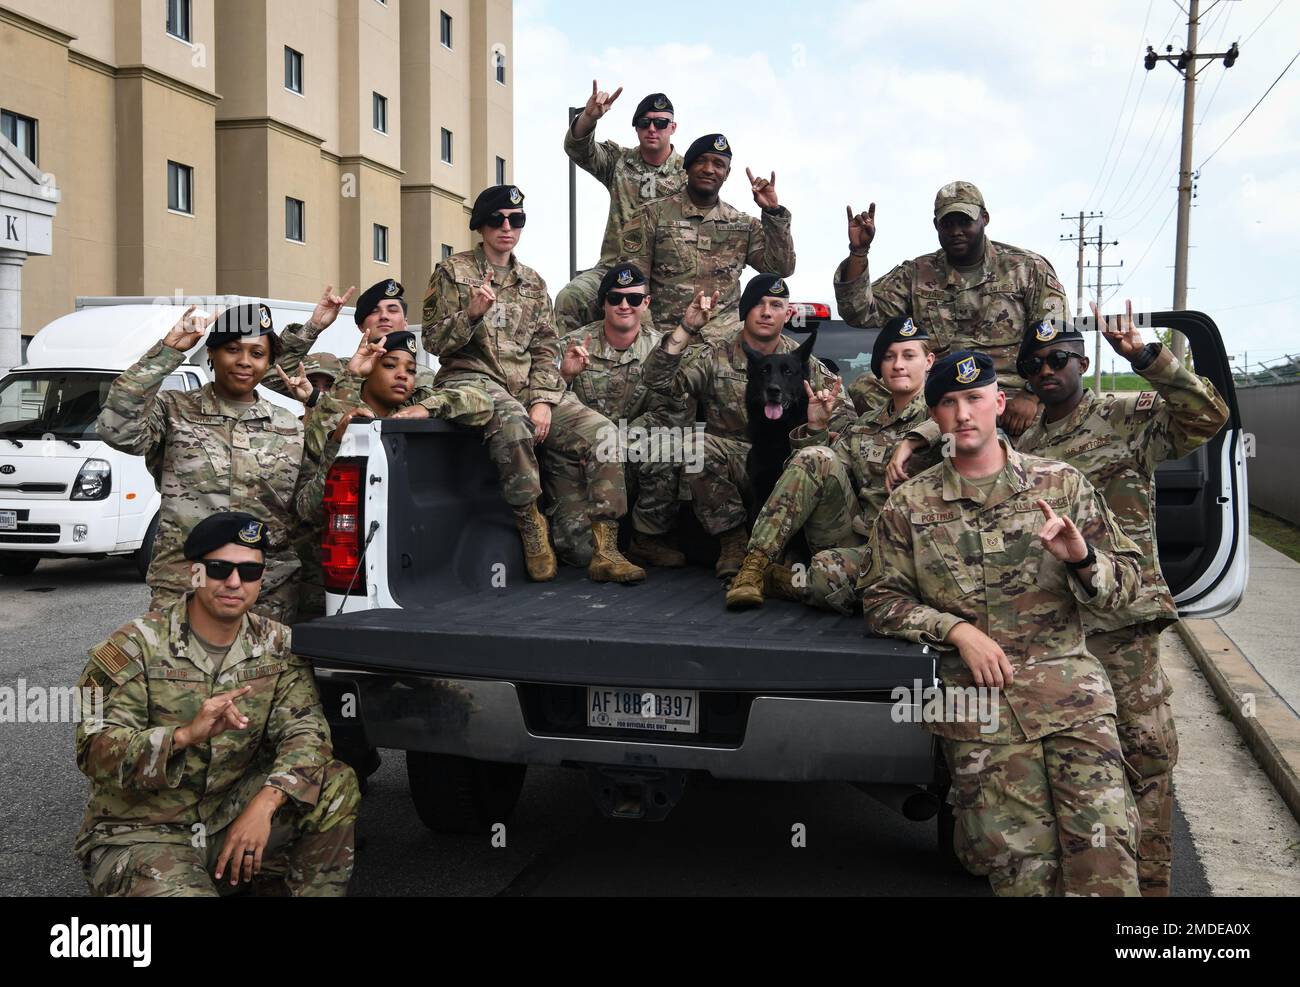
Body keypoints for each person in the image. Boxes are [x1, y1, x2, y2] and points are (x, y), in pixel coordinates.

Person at [859, 351, 1144, 896]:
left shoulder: (1060, 486)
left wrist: (1083, 559)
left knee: (1104, 860)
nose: (963, 413)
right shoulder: (909, 507)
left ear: (999, 402)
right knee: (1020, 871)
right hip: (977, 713)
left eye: (973, 398)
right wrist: (956, 632)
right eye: (947, 402)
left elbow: (1127, 585)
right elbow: (881, 601)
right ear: (934, 416)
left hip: (1071, 703)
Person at [1014, 301, 1229, 896]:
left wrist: (1146, 355)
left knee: (1143, 757)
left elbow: (1208, 416)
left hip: (1120, 619)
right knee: (1070, 767)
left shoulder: (1124, 415)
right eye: (1034, 363)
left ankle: (1152, 890)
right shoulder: (1024, 441)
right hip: (1052, 627)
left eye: (1058, 357)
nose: (1047, 369)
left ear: (1083, 360)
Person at [74, 511, 360, 897]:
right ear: (194, 573)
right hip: (144, 832)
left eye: (249, 572)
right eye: (220, 568)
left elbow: (307, 735)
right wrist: (182, 736)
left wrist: (265, 804)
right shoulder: (133, 647)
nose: (234, 582)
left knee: (334, 782)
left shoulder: (277, 645)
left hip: (229, 817)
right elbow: (94, 750)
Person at [422, 184, 645, 584]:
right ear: (481, 225)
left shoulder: (533, 282)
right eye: (497, 220)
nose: (507, 227)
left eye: (516, 220)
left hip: (528, 385)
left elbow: (545, 348)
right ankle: (531, 524)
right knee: (513, 423)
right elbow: (434, 342)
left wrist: (543, 399)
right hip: (474, 378)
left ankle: (606, 549)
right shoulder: (453, 273)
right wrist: (470, 315)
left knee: (603, 434)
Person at [97, 304, 317, 624]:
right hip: (186, 584)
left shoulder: (289, 426)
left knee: (260, 675)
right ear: (211, 354)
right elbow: (115, 429)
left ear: (268, 361)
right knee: (180, 673)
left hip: (266, 591)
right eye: (232, 349)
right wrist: (168, 351)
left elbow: (306, 510)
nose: (244, 361)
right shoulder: (173, 411)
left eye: (257, 353)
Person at [644, 274, 853, 578]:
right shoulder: (715, 354)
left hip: (790, 466)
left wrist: (824, 424)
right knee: (695, 447)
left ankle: (794, 555)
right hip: (733, 462)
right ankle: (733, 544)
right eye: (758, 304)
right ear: (745, 310)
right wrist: (687, 328)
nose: (767, 311)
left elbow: (846, 416)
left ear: (787, 313)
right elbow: (656, 381)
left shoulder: (799, 361)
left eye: (776, 305)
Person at [726, 316, 939, 611]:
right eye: (889, 357)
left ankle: (786, 580)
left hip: (918, 546)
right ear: (880, 366)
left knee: (819, 579)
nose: (898, 364)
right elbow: (820, 474)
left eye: (908, 355)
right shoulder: (865, 426)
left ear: (928, 361)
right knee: (816, 456)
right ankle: (755, 567)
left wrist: (914, 439)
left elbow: (982, 432)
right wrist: (815, 429)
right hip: (861, 541)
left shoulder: (946, 415)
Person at [288, 331, 493, 619]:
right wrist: (338, 443)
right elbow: (308, 510)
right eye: (390, 365)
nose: (402, 375)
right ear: (369, 371)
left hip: (405, 573)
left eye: (410, 370)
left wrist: (427, 408)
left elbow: (482, 402)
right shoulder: (330, 420)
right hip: (335, 584)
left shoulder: (410, 413)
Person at [835, 182, 1069, 434]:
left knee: (1053, 425)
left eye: (965, 222)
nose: (956, 231)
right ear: (936, 226)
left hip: (1008, 397)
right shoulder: (917, 273)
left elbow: (1056, 338)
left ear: (984, 219)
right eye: (947, 224)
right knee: (864, 386)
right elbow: (859, 313)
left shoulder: (1026, 269)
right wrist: (859, 252)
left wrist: (1032, 395)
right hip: (936, 397)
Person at [553, 263, 686, 568]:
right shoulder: (570, 346)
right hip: (579, 463)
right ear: (602, 303)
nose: (624, 305)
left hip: (633, 451)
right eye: (615, 298)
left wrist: (615, 442)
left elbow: (672, 412)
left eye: (634, 299)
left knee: (673, 445)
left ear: (646, 303)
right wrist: (565, 374)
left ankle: (647, 539)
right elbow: (542, 399)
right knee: (580, 555)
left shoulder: (661, 351)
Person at [620, 133, 794, 340]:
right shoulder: (652, 214)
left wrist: (773, 213)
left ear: (727, 173)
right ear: (687, 167)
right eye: (701, 161)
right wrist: (648, 337)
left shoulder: (742, 224)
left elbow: (780, 268)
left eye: (718, 164)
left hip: (723, 345)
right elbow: (633, 282)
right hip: (666, 339)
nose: (709, 169)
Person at [556, 85, 686, 333]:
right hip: (614, 269)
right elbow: (578, 149)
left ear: (673, 128)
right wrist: (588, 118)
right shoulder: (619, 162)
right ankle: (570, 368)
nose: (652, 128)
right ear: (635, 127)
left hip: (666, 277)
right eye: (644, 122)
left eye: (660, 123)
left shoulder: (687, 173)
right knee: (570, 297)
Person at [270, 279, 489, 420]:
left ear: (405, 322)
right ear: (360, 326)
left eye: (392, 310)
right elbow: (271, 372)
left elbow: (476, 400)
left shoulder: (423, 378)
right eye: (374, 311)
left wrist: (427, 408)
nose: (384, 316)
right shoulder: (339, 371)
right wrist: (314, 326)